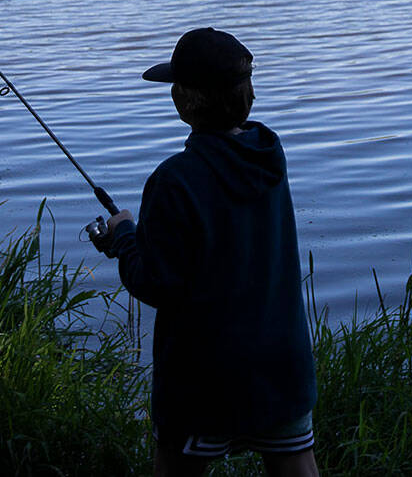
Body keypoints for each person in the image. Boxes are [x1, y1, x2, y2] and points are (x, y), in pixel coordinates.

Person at [104, 27, 319, 477]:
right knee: (296, 465)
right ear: (247, 94)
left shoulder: (174, 179)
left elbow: (156, 282)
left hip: (203, 378)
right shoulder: (268, 156)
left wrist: (124, 237)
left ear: (184, 100)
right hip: (282, 365)